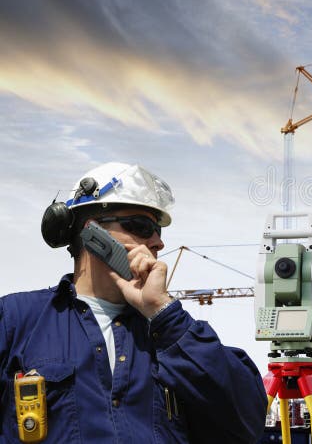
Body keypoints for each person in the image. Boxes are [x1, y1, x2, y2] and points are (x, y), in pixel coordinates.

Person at [0, 162, 268, 443]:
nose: (157, 242)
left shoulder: (174, 336)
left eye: (158, 231)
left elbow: (247, 421)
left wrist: (164, 314)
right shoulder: (15, 321)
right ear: (94, 234)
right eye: (141, 226)